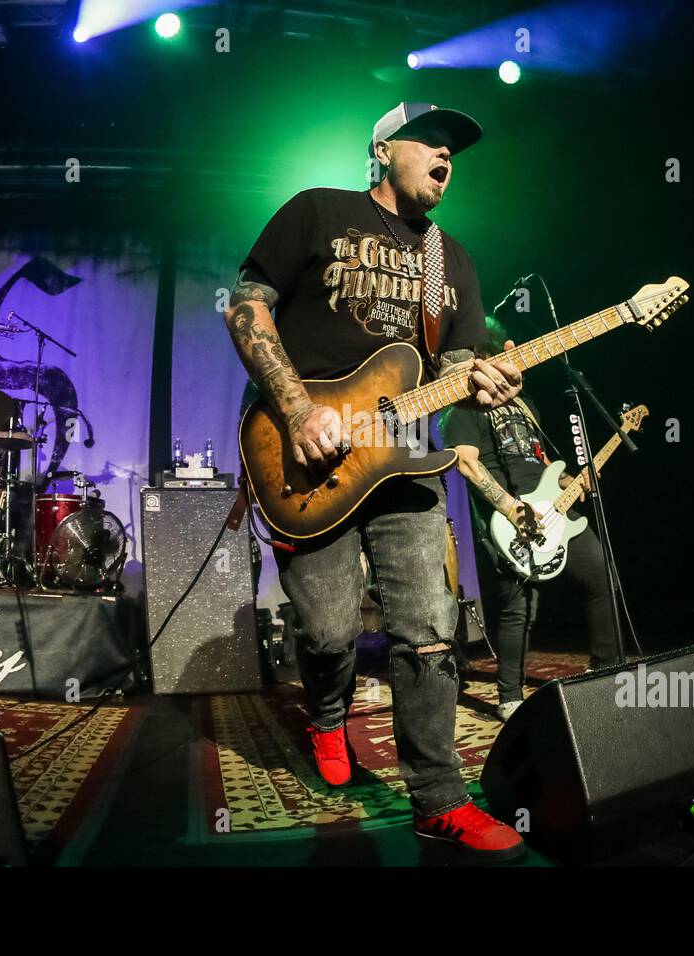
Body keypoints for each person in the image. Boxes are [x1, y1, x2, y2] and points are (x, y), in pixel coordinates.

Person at [224, 102, 526, 860]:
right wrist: (297, 411)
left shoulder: (449, 259)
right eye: (433, 141)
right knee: (326, 630)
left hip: (407, 459)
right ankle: (328, 712)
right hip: (310, 451)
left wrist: (483, 378)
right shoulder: (318, 210)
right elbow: (247, 305)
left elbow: (455, 359)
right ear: (384, 149)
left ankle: (440, 799)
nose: (447, 154)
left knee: (430, 626)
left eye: (455, 148)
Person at [442, 317, 621, 721]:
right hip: (509, 516)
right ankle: (509, 695)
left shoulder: (526, 405)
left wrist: (571, 480)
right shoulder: (465, 405)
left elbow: (543, 462)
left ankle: (607, 668)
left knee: (599, 575)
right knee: (516, 607)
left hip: (556, 507)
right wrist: (509, 507)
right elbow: (468, 465)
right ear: (484, 355)